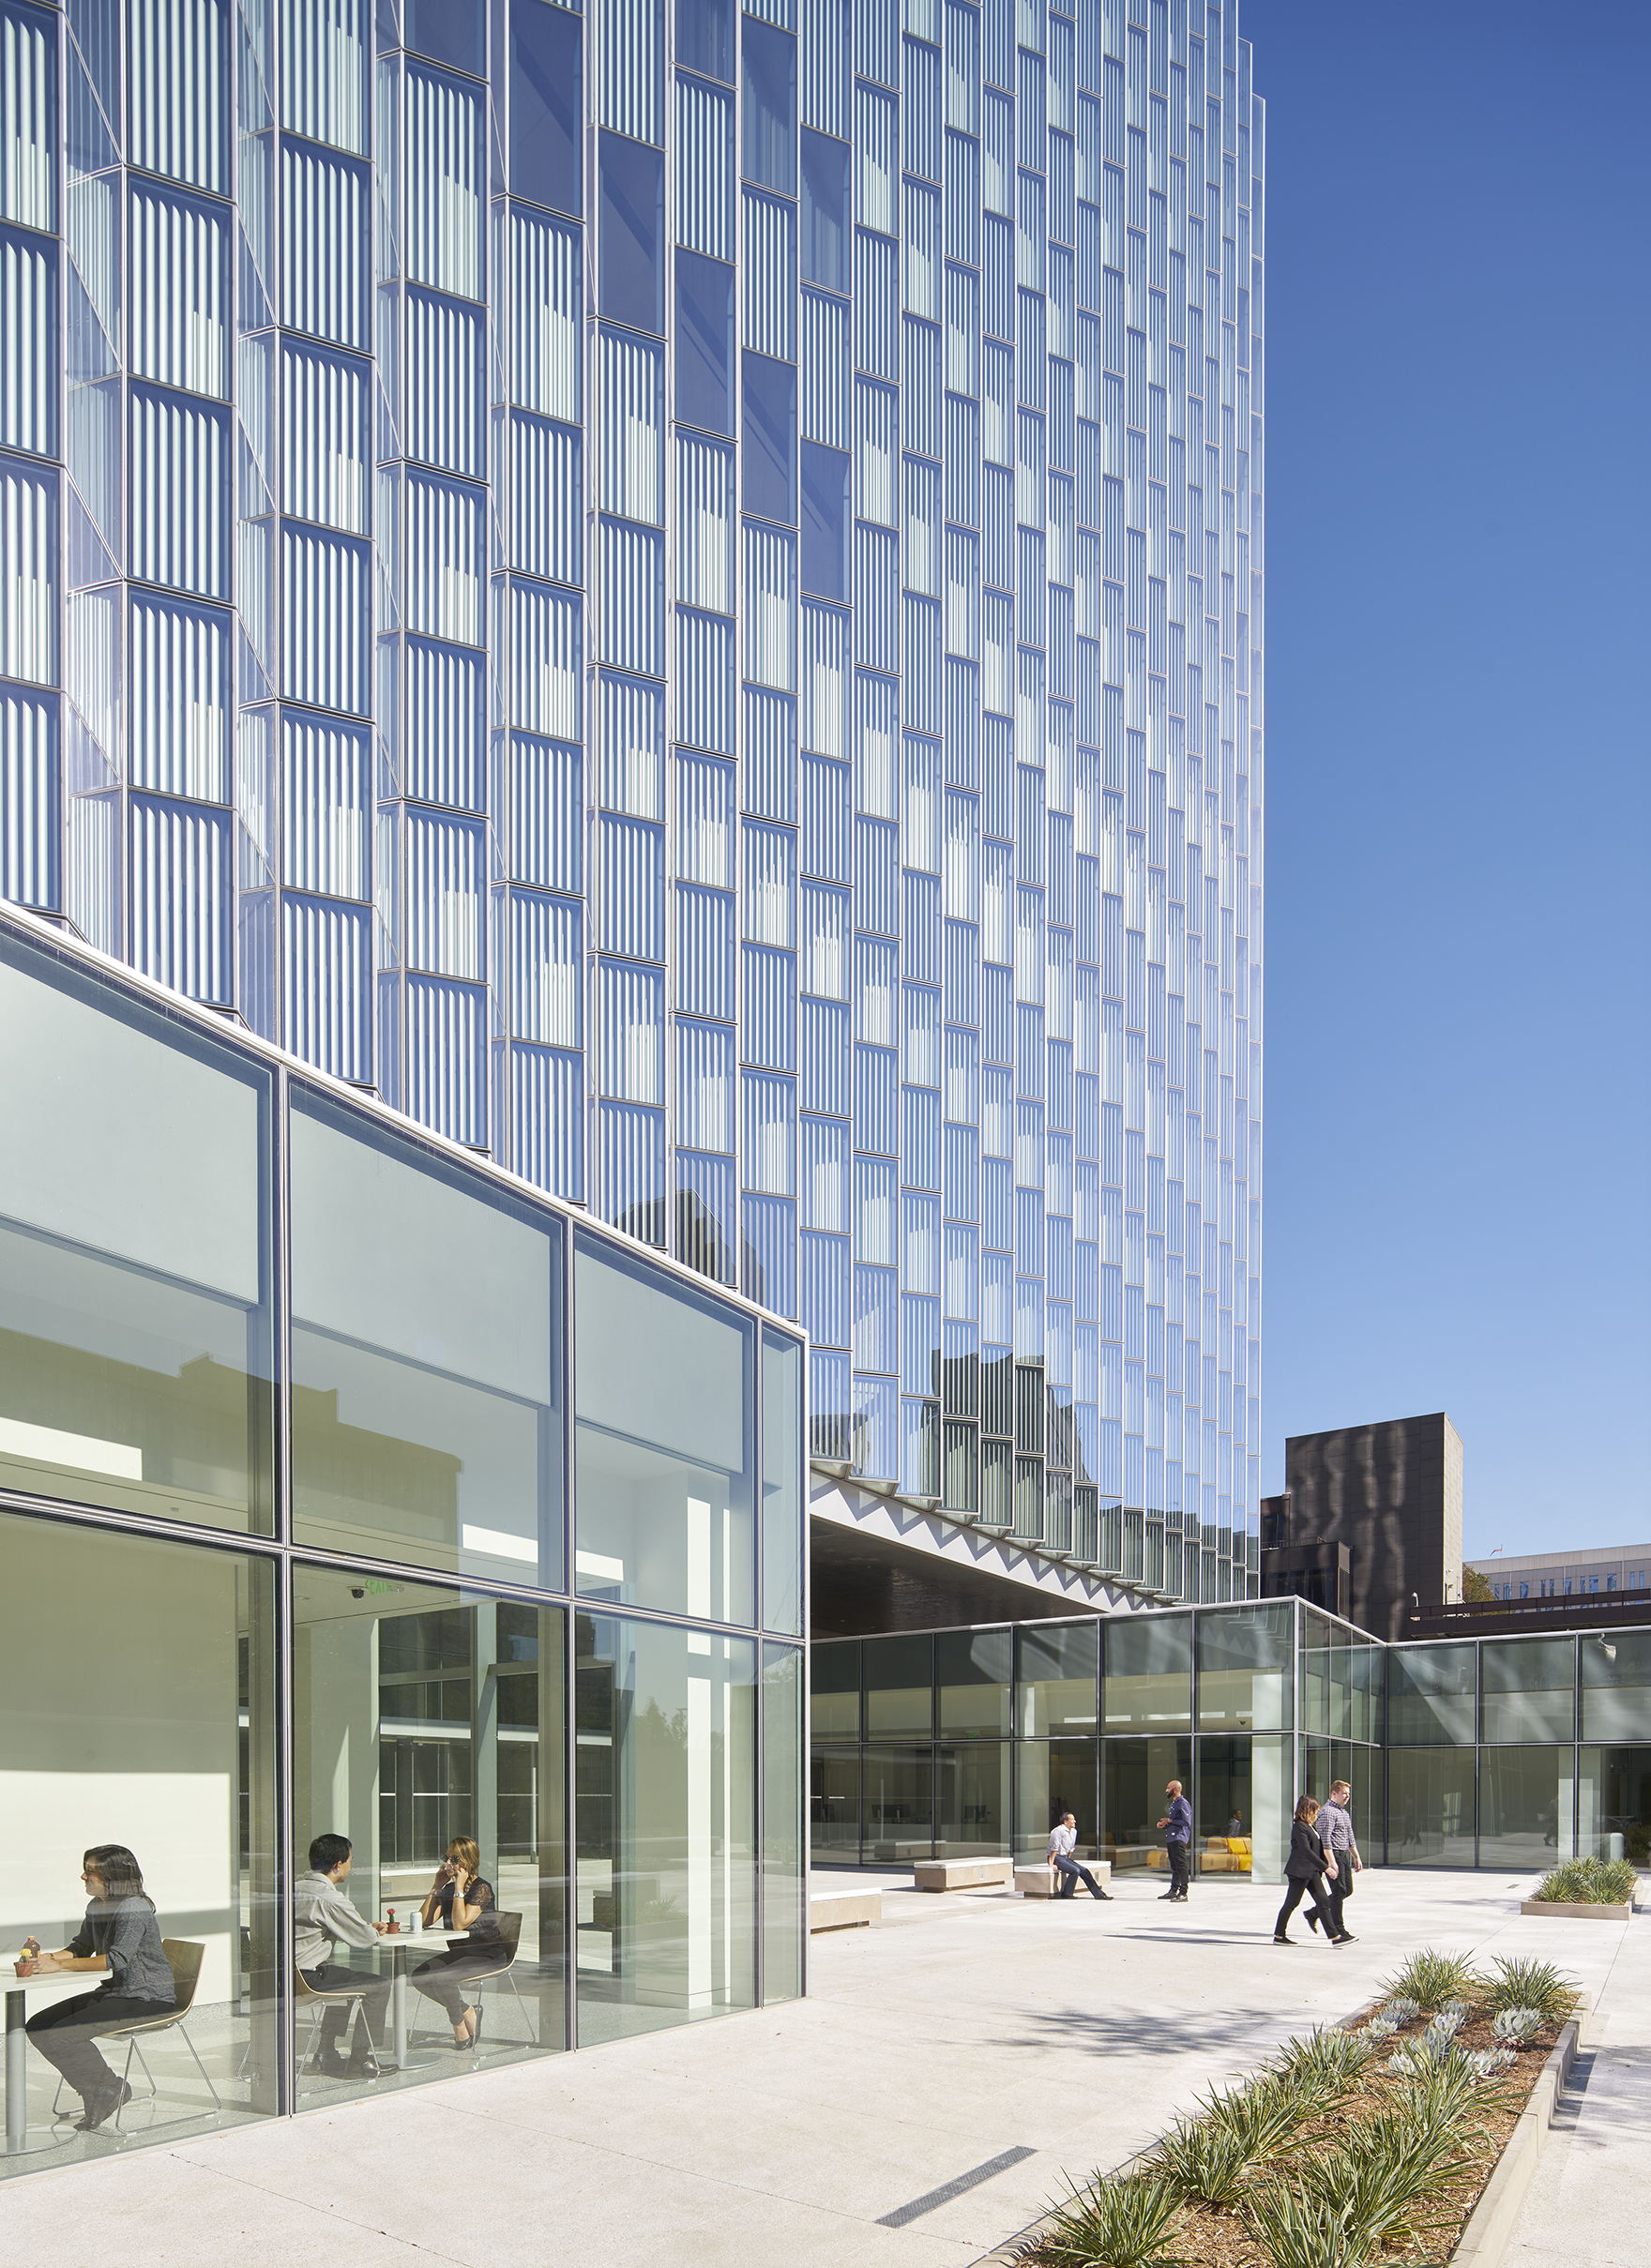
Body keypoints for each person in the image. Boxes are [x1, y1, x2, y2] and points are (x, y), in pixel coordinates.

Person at [23, 1844, 176, 2130]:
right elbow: (81, 1948)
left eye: (91, 1871)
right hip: (116, 1993)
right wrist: (48, 1959)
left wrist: (60, 1965)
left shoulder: (134, 1907)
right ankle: (105, 2090)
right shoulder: (97, 1906)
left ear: (113, 1875)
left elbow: (117, 1959)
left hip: (149, 1997)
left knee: (61, 2036)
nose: (83, 1876)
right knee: (39, 2026)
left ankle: (103, 2090)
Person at [295, 1832, 391, 2078]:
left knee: (343, 1978)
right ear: (338, 1865)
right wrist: (371, 1929)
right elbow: (365, 1939)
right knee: (379, 1985)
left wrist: (364, 1927)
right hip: (307, 1978)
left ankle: (325, 2052)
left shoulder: (294, 1888)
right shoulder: (329, 1897)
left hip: (283, 1976)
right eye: (350, 1861)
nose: (351, 1866)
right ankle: (359, 2058)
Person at [410, 1837, 504, 2047]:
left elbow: (459, 1924)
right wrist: (436, 1886)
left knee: (442, 1979)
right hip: (461, 1953)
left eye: (455, 1859)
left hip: (487, 1955)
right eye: (447, 1857)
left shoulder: (482, 1888)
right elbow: (424, 1920)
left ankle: (459, 2027)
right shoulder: (449, 1889)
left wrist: (460, 1887)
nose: (448, 1863)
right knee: (420, 1976)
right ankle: (467, 2011)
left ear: (468, 1862)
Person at [1273, 1796, 1347, 1944]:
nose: (1317, 1813)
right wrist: (1326, 1868)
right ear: (1308, 1809)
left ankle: (1335, 1937)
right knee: (1291, 1903)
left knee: (1324, 1901)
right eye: (1315, 1810)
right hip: (1299, 1871)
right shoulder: (1299, 1826)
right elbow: (1306, 1851)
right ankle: (1279, 1936)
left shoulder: (1310, 1826)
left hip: (1312, 1872)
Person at [1307, 1778, 1360, 1942]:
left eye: (1348, 1794)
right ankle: (1339, 1929)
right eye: (1344, 1793)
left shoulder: (1343, 1812)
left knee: (1346, 1890)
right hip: (1333, 1855)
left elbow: (1350, 1836)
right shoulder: (1327, 1812)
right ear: (1334, 1793)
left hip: (1343, 1855)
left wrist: (1356, 1856)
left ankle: (1313, 1912)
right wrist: (1331, 1862)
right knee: (1339, 1891)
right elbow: (1325, 1839)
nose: (1347, 1796)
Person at [1046, 1812, 1113, 1901]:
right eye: (1072, 1819)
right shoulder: (1057, 1831)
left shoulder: (1074, 1831)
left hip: (1065, 1858)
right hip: (1056, 1857)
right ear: (1065, 1822)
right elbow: (1053, 1848)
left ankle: (1099, 1894)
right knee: (1075, 1871)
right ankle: (1067, 1894)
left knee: (1085, 1871)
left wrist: (1068, 1861)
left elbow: (1070, 1848)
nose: (1075, 1821)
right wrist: (1051, 1864)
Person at [1156, 1779, 1193, 1901]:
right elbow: (1175, 1822)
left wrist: (1170, 1821)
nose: (1166, 1790)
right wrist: (1164, 1824)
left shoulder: (1182, 1803)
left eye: (1168, 1788)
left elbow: (1187, 1822)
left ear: (1175, 1789)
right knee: (1175, 1866)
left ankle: (1183, 1893)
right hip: (1172, 1838)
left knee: (1181, 1866)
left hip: (1178, 1838)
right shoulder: (1174, 1803)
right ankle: (1173, 1890)